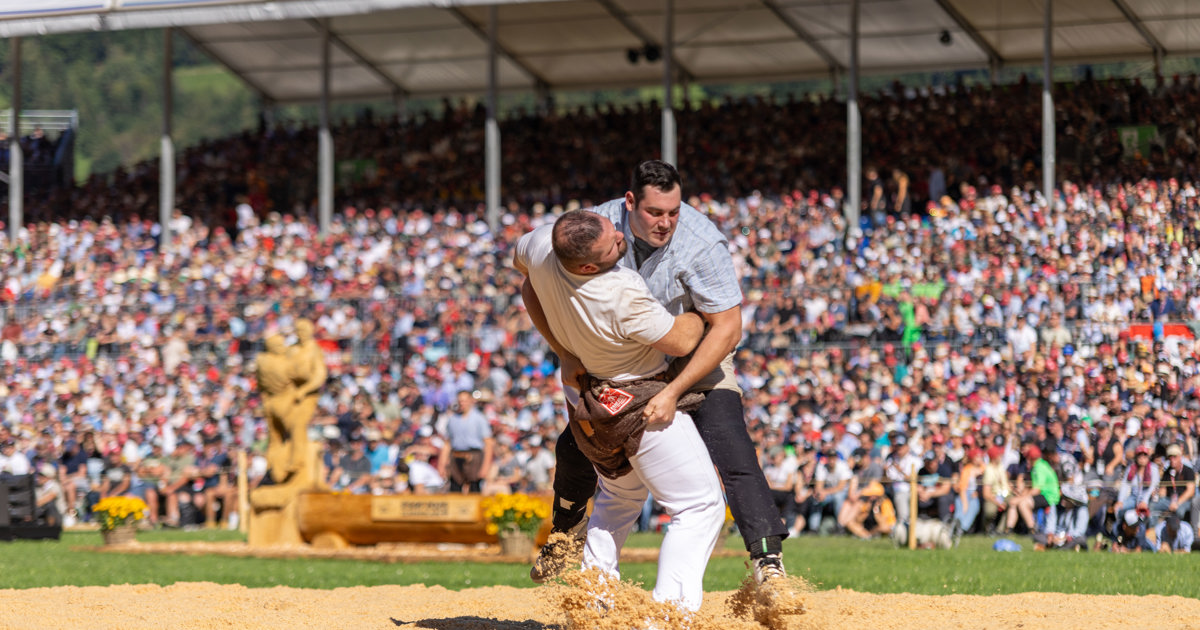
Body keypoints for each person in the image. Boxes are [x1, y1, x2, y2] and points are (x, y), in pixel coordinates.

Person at [529, 160, 790, 586]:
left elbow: (727, 328)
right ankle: (563, 540)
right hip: (630, 359)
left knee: (731, 445)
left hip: (695, 351)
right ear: (629, 203)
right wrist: (563, 351)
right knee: (577, 443)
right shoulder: (594, 226)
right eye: (654, 213)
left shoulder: (702, 242)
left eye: (674, 211)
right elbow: (533, 280)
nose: (666, 223)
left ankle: (769, 564)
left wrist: (674, 391)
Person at [513, 209, 726, 615]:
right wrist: (703, 311)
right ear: (590, 264)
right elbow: (681, 341)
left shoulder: (542, 244)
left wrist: (562, 349)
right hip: (634, 401)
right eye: (613, 240)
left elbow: (527, 284)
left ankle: (594, 608)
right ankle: (669, 619)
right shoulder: (618, 289)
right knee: (699, 506)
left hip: (584, 403)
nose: (620, 235)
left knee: (618, 497)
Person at [438, 390, 495, 493]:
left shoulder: (479, 418)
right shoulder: (453, 419)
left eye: (465, 401)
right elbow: (447, 443)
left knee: (474, 488)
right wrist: (441, 464)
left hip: (474, 456)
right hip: (456, 455)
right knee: (455, 487)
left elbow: (488, 443)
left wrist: (485, 466)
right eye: (460, 401)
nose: (462, 403)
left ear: (471, 401)